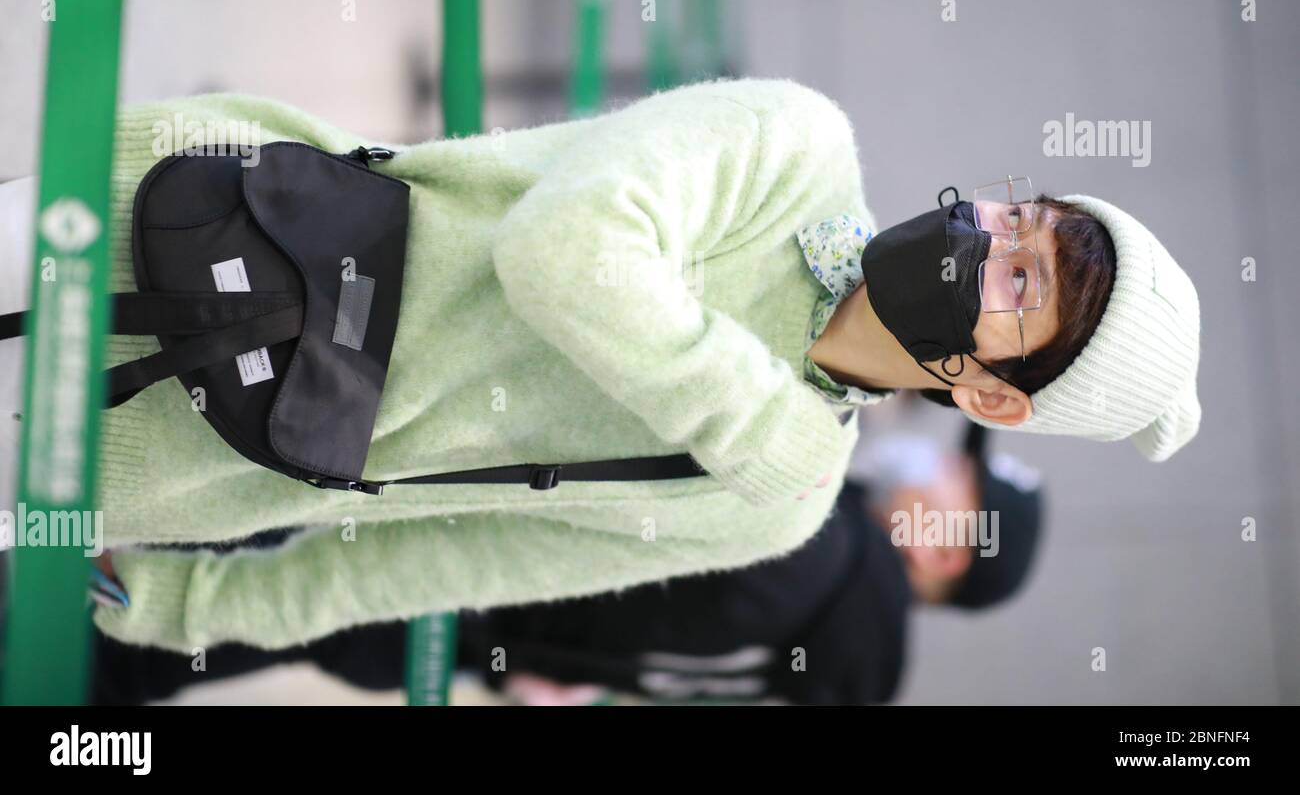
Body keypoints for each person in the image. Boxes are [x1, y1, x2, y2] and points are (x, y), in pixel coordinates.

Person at [0, 77, 1200, 654]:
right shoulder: (798, 149)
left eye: (1021, 280)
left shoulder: (768, 509)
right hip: (164, 226)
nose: (986, 235)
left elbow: (449, 557)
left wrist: (181, 603)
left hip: (168, 459)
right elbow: (562, 248)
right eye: (1017, 216)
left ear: (991, 394)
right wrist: (764, 424)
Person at [83, 416, 1044, 706]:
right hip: (452, 639)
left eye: (958, 482)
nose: (930, 469)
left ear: (954, 555)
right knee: (163, 648)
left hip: (427, 567)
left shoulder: (811, 538)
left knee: (182, 584)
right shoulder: (841, 666)